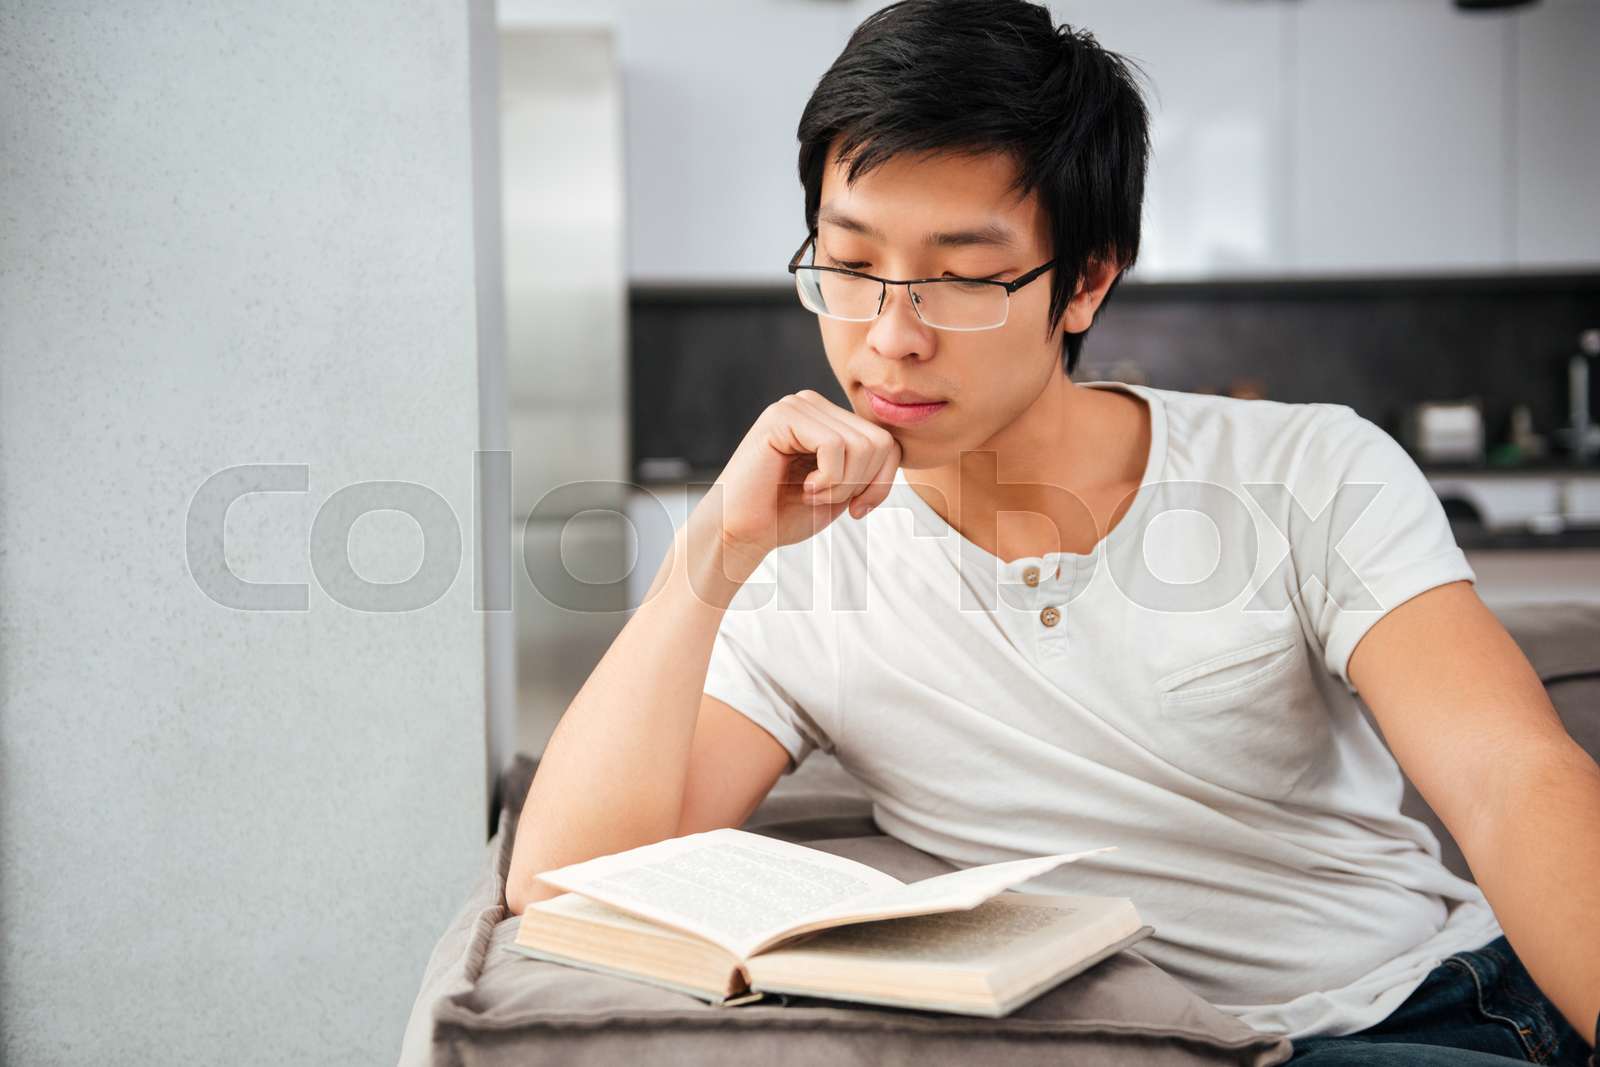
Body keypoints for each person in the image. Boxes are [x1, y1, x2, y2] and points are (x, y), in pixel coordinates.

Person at [506, 2, 1600, 1063]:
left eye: (963, 280)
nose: (889, 337)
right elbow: (564, 882)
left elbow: (1510, 780)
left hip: (1429, 1013)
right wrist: (711, 557)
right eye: (847, 266)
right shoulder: (802, 567)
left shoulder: (1305, 469)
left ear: (1082, 282)